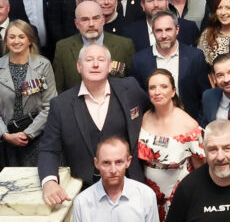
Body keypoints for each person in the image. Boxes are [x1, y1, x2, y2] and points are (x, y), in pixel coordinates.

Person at [40, 44, 150, 205]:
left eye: (101, 59)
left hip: (130, 188)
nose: (95, 64)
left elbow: (152, 112)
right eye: (89, 60)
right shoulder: (61, 105)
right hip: (84, 193)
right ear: (79, 66)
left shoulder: (131, 89)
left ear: (109, 65)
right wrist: (49, 182)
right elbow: (49, 149)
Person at [136, 69, 205, 221]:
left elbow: (201, 169)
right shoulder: (143, 118)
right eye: (152, 87)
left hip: (180, 196)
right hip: (148, 197)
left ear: (173, 91)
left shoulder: (189, 125)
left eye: (163, 86)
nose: (157, 91)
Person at [0, 22, 55, 169]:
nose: (16, 41)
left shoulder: (43, 66)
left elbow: (50, 106)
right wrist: (5, 134)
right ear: (6, 41)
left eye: (21, 36)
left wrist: (28, 133)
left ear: (30, 40)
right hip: (9, 140)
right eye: (11, 37)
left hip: (39, 137)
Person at [127, 5, 209, 109]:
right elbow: (136, 98)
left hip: (189, 121)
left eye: (168, 29)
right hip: (153, 121)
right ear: (153, 32)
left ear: (177, 30)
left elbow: (205, 95)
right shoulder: (139, 60)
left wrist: (199, 123)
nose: (164, 35)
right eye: (159, 30)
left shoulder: (195, 56)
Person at [54, 0, 133, 92]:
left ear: (103, 20)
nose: (91, 24)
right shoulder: (63, 48)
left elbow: (130, 84)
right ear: (77, 24)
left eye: (95, 18)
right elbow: (59, 88)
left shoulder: (124, 45)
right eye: (85, 19)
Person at [198, 0, 230, 64]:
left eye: (228, 8)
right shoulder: (208, 34)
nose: (223, 12)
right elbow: (199, 63)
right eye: (219, 8)